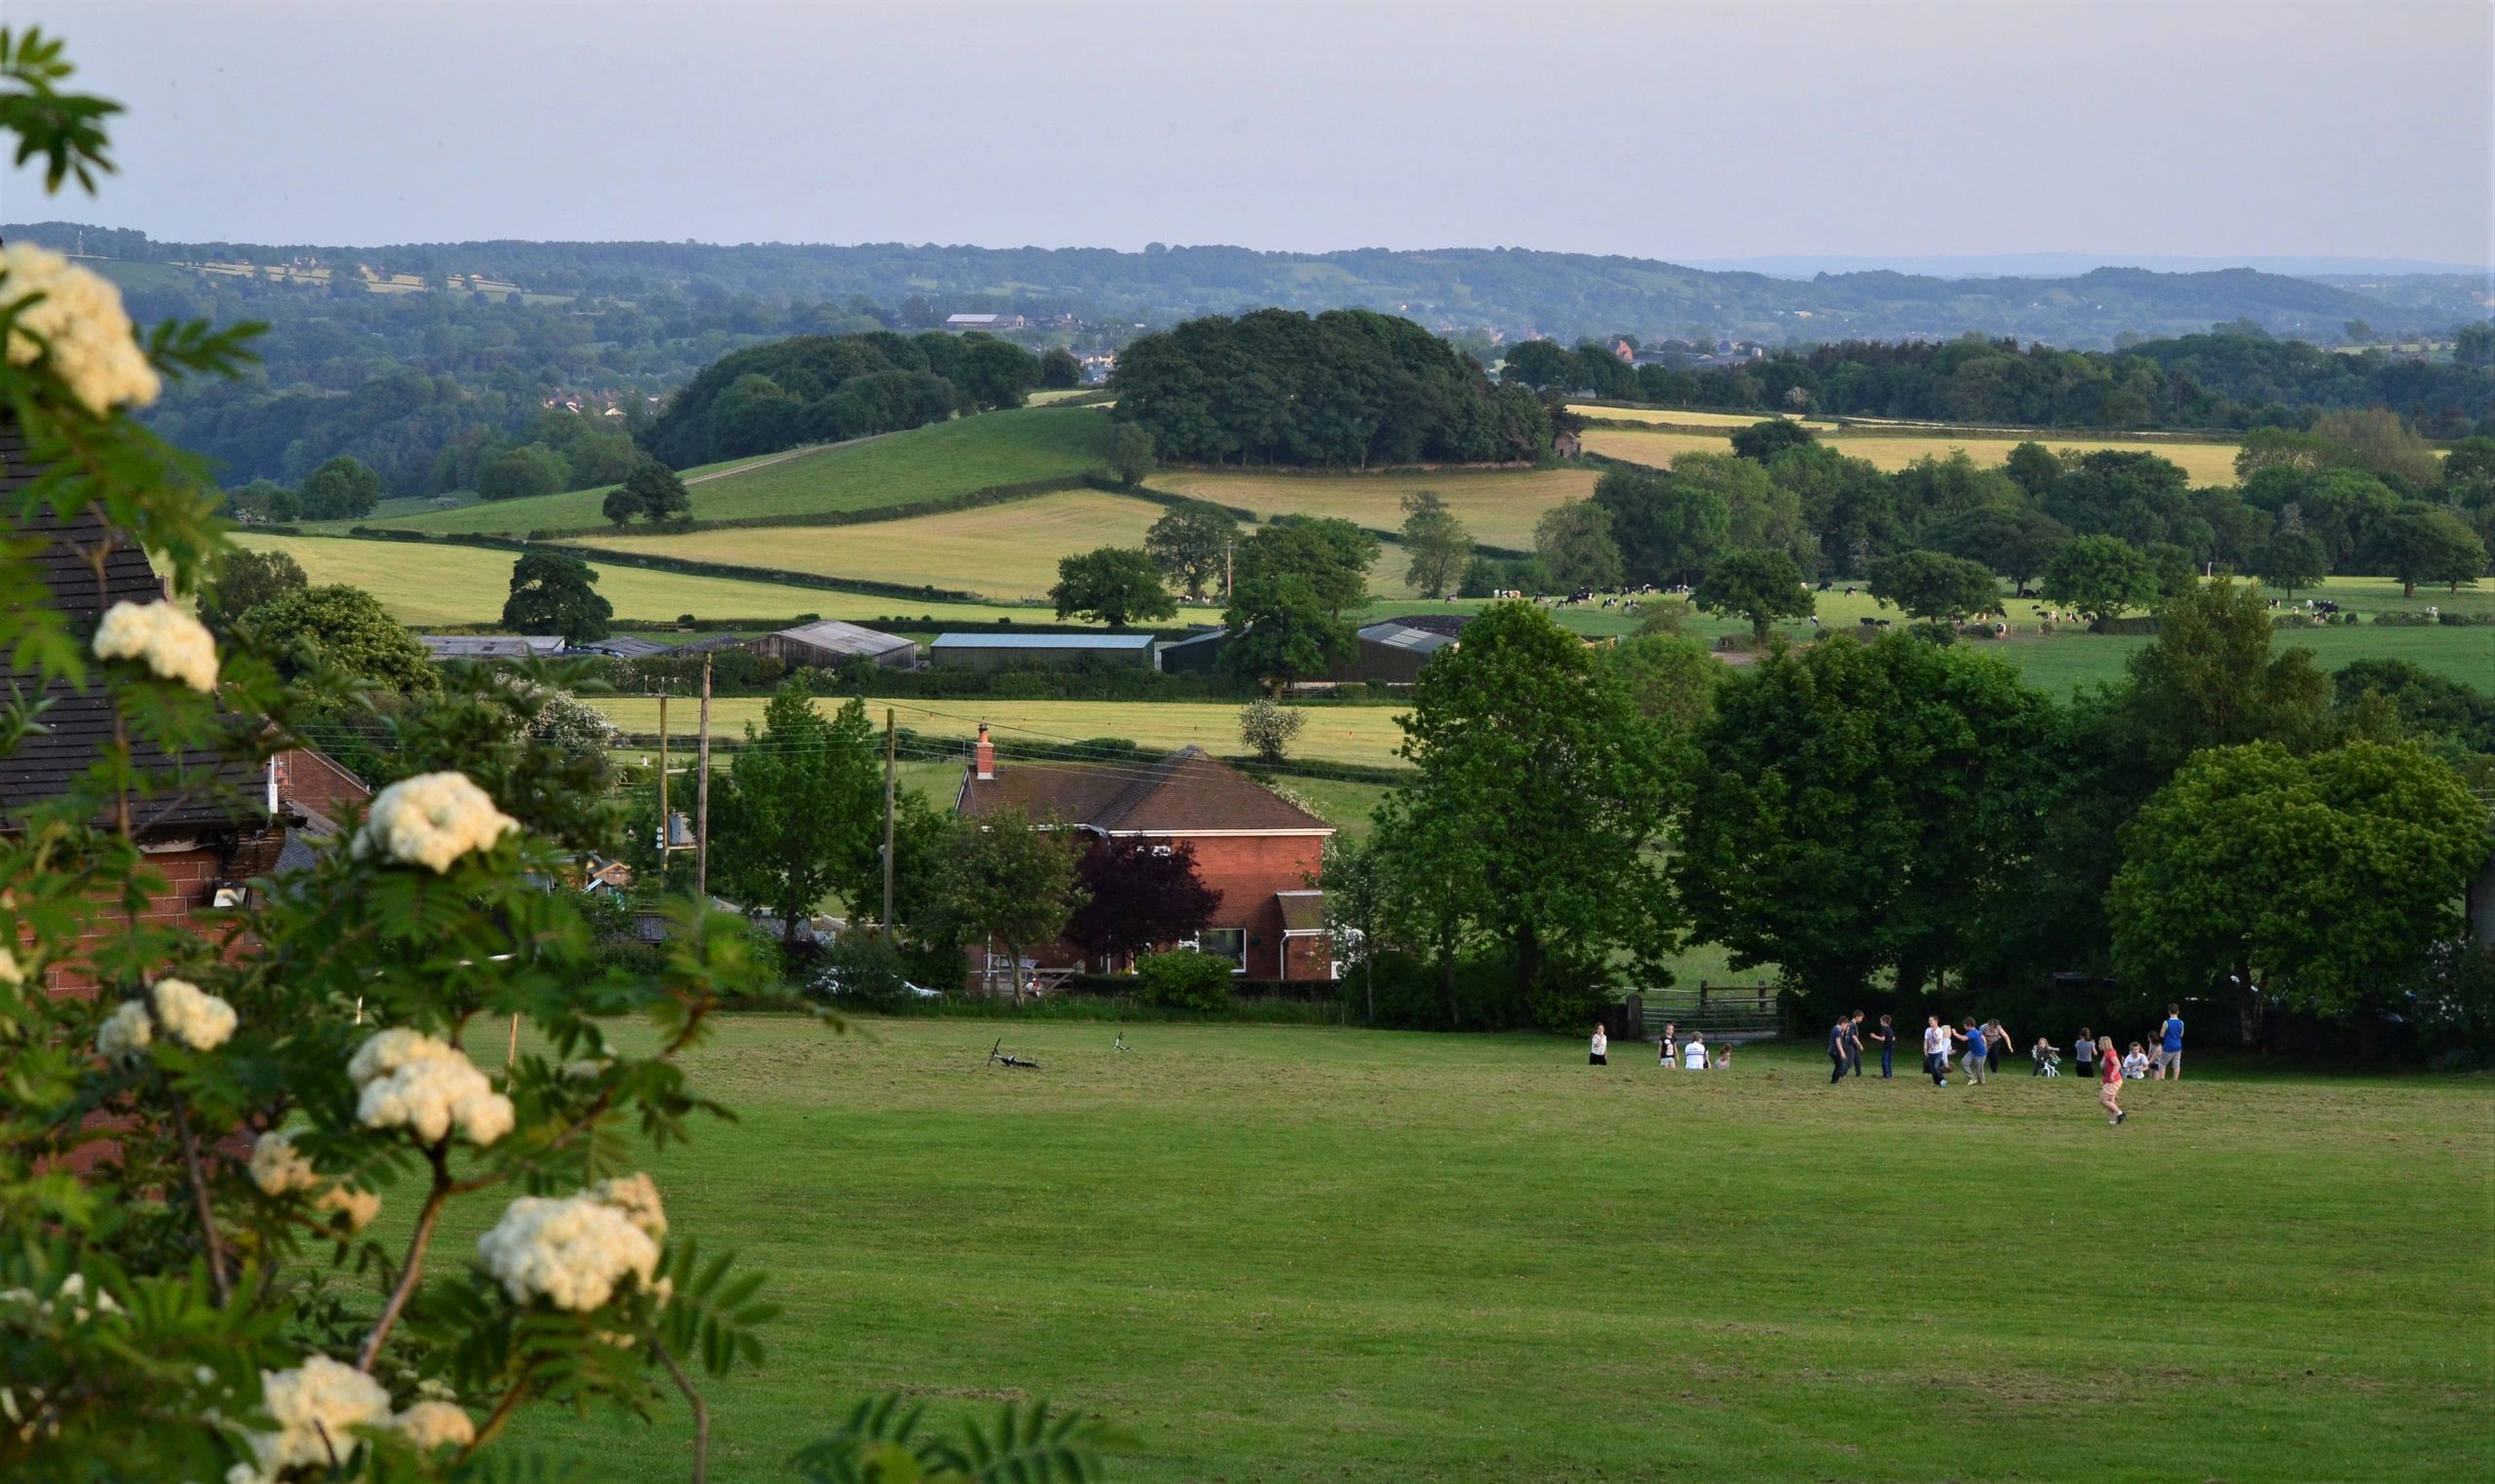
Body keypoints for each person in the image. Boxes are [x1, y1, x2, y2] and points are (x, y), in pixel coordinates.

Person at [2098, 1035, 2127, 1124]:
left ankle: (2120, 1113)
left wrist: (2112, 1075)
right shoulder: (2107, 1053)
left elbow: (2117, 1064)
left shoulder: (2110, 1053)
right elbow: (2103, 1066)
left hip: (2114, 1081)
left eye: (2100, 1043)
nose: (2098, 1045)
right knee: (2110, 1101)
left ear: (2104, 1043)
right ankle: (2112, 1121)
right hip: (2109, 1080)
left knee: (2103, 1099)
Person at [1952, 1018, 1987, 1085]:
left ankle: (1982, 1082)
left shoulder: (1973, 1032)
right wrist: (1984, 1044)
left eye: (1965, 1026)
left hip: (1980, 1054)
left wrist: (1955, 1033)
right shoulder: (1975, 1031)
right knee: (1964, 1062)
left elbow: (1963, 1038)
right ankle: (1972, 1079)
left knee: (1979, 1070)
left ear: (1970, 1026)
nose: (1964, 1027)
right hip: (1973, 1051)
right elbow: (1982, 1036)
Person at [2158, 1004, 2185, 1081]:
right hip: (2178, 1046)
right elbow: (2181, 1034)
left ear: (2169, 1012)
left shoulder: (2166, 1022)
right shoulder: (2181, 1022)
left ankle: (2162, 1078)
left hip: (2168, 1046)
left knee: (2162, 1063)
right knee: (2176, 1064)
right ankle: (2175, 1079)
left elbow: (2161, 1034)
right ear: (2178, 1012)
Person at [1921, 1015, 1950, 1087]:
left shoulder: (1939, 1030)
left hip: (1938, 1052)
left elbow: (1938, 1041)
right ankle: (1937, 1083)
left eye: (1931, 1020)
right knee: (1933, 1069)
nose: (1929, 1022)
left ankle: (1943, 1080)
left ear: (1936, 1021)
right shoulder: (1927, 1030)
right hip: (1931, 1053)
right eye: (1929, 1021)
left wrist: (1933, 1034)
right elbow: (1926, 1041)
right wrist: (1925, 1050)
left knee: (1936, 1067)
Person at [1867, 1013, 1897, 1080]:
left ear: (1884, 1022)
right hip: (1890, 1047)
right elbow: (1893, 1038)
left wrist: (1874, 1036)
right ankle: (1887, 1075)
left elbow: (1883, 1038)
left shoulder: (1884, 1029)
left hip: (1887, 1049)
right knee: (1886, 1061)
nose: (1880, 1023)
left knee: (1885, 1061)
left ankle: (1887, 1076)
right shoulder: (1890, 1029)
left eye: (1881, 1021)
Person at [1828, 1014, 1852, 1084]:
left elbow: (1840, 1037)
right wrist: (1842, 1052)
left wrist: (1845, 1031)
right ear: (1842, 1023)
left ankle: (1835, 1080)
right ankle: (1834, 1081)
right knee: (1839, 1066)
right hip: (1835, 1051)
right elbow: (1838, 1042)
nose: (1846, 1027)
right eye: (1846, 1025)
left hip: (1832, 1050)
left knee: (1838, 1066)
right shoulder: (1838, 1030)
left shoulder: (1835, 1028)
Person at [1847, 1010, 1867, 1079]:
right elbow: (1853, 1036)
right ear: (1857, 1017)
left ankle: (1858, 1074)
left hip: (1854, 1045)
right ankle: (1841, 1072)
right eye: (1861, 1018)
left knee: (1858, 1060)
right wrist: (1860, 1044)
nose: (1861, 1020)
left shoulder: (1854, 1024)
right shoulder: (1852, 1024)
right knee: (1850, 1062)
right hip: (1851, 1045)